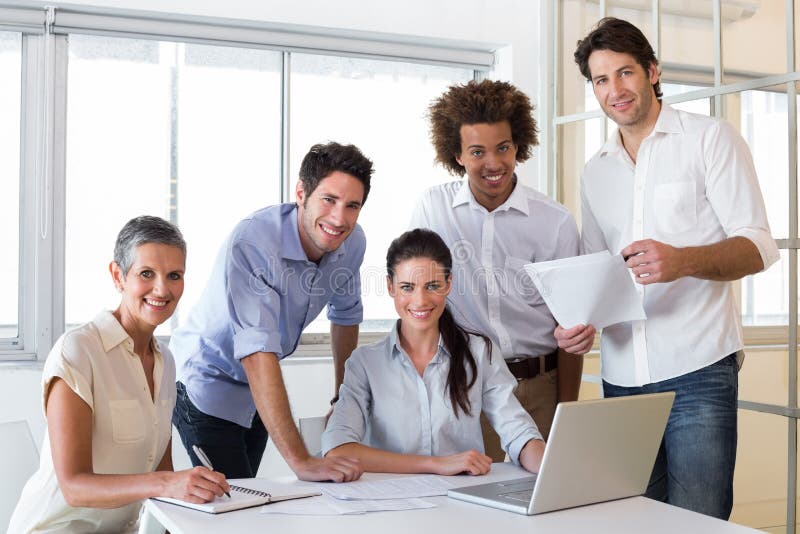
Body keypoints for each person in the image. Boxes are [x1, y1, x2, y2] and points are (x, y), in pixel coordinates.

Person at [565, 17, 780, 519]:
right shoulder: (595, 171)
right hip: (620, 377)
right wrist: (579, 322)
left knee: (699, 521)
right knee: (636, 521)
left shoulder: (710, 139)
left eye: (625, 73)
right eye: (601, 79)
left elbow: (759, 246)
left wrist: (682, 260)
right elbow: (598, 271)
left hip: (698, 369)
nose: (615, 90)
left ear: (653, 71)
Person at [9, 216, 229, 534]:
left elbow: (161, 469)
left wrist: (187, 502)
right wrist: (167, 483)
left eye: (174, 275)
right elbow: (74, 486)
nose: (162, 289)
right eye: (146, 273)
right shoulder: (78, 351)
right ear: (118, 276)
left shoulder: (166, 361)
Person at [171, 142, 373, 482]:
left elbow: (345, 315)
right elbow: (257, 351)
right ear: (301, 193)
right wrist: (302, 461)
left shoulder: (351, 242)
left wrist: (341, 398)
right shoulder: (255, 242)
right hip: (207, 382)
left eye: (352, 206)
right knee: (232, 500)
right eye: (329, 200)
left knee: (250, 496)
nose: (339, 219)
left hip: (257, 393)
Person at [410, 80, 591, 458]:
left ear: (518, 146)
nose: (493, 164)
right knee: (469, 491)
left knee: (544, 492)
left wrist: (566, 411)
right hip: (466, 385)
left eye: (503, 148)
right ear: (457, 154)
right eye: (477, 152)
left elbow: (571, 324)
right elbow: (416, 301)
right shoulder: (434, 210)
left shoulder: (555, 221)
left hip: (541, 385)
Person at [322, 228, 545, 474]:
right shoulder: (365, 363)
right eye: (407, 287)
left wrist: (551, 469)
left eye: (432, 286)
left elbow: (519, 434)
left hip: (460, 496)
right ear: (390, 286)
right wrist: (436, 465)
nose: (420, 301)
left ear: (448, 284)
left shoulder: (480, 353)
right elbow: (338, 450)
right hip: (393, 496)